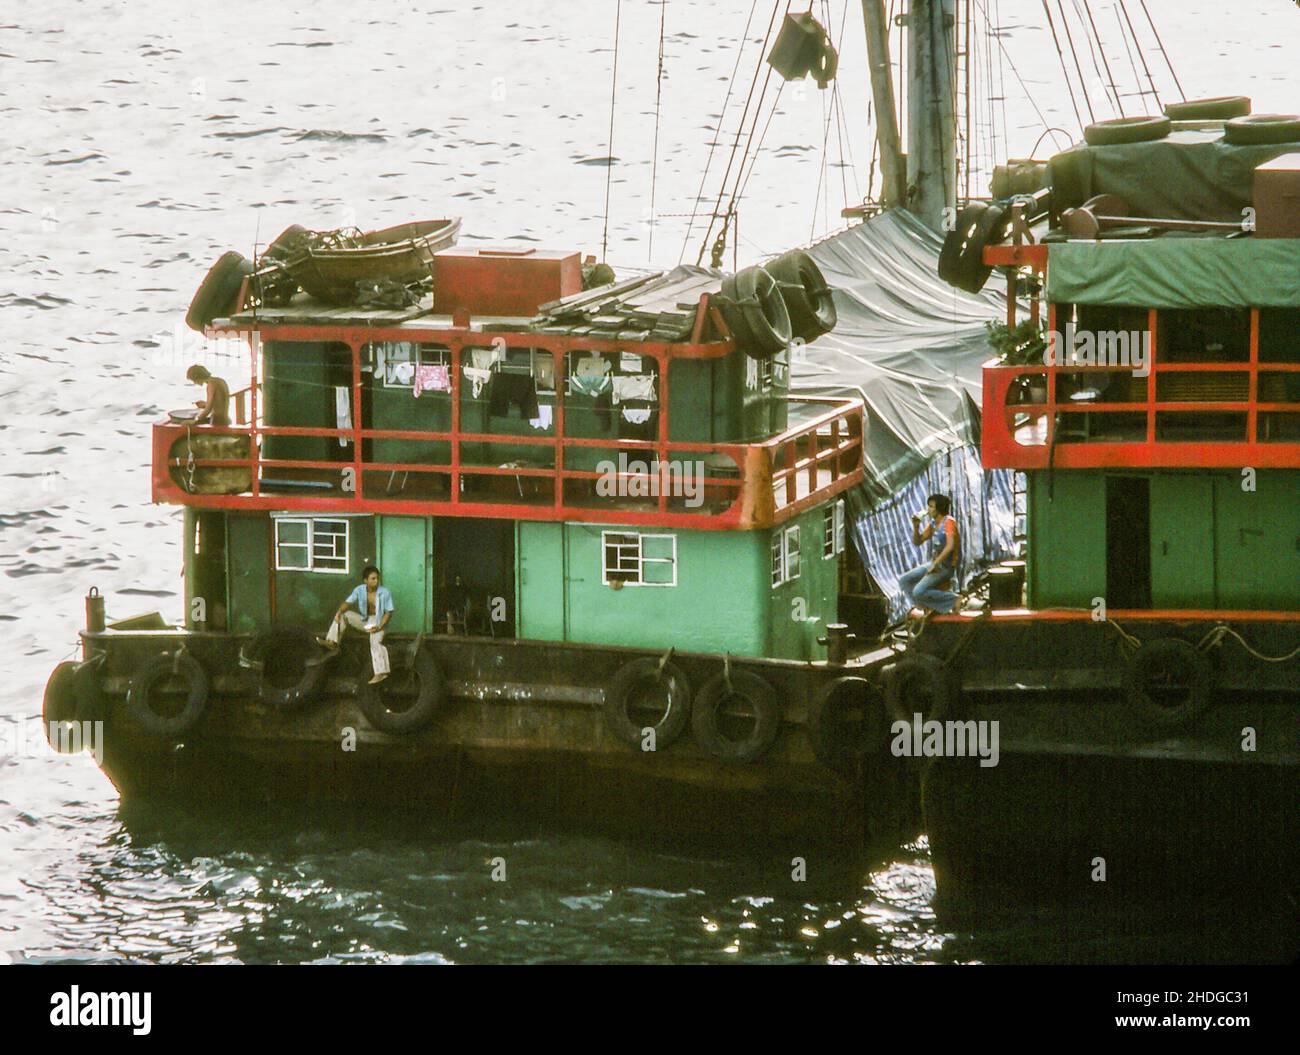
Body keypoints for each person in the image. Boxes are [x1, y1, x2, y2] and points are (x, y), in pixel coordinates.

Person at [319, 565, 393, 683]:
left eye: (377, 578)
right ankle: (332, 642)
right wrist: (338, 612)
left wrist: (379, 627)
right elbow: (347, 603)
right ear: (365, 580)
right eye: (373, 579)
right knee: (345, 614)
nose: (376, 581)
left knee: (375, 642)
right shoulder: (359, 590)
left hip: (379, 622)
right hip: (365, 620)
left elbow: (389, 613)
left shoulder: (385, 592)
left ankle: (381, 672)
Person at [899, 494, 961, 615]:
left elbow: (950, 546)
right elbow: (918, 541)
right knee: (904, 581)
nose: (928, 509)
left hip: (946, 566)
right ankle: (925, 606)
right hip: (934, 564)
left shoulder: (949, 522)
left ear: (939, 508)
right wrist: (916, 527)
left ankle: (954, 599)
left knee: (918, 591)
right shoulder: (933, 524)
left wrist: (936, 563)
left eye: (931, 506)